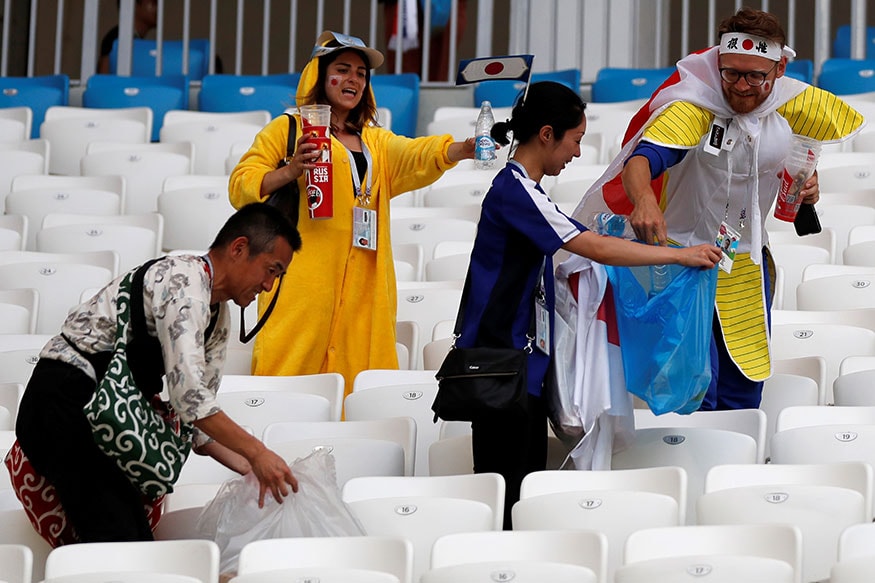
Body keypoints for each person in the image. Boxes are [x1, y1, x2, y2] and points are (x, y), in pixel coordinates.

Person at [455, 81, 722, 528]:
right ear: (546, 134)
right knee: (508, 498)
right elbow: (592, 246)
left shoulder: (529, 192)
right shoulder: (514, 191)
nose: (577, 153)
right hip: (499, 366)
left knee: (521, 489)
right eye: (574, 140)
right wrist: (678, 254)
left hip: (519, 367)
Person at [578, 7, 864, 411]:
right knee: (692, 395)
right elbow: (641, 162)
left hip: (747, 265)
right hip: (682, 266)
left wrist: (807, 189)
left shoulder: (789, 109)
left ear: (779, 68)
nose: (741, 87)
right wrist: (644, 200)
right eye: (731, 73)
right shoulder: (695, 106)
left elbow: (789, 165)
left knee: (744, 392)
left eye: (755, 76)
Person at [5, 203, 302, 546]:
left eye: (276, 277)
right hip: (63, 402)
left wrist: (254, 469)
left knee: (129, 540)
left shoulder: (218, 320)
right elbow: (190, 399)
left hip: (101, 423)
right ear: (238, 248)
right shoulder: (183, 282)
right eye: (270, 270)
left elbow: (196, 424)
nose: (268, 285)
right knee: (118, 540)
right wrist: (257, 452)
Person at [229, 31, 475, 394]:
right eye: (342, 70)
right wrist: (291, 169)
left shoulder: (375, 140)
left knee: (360, 385)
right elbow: (241, 185)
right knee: (292, 383)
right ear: (318, 76)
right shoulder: (289, 128)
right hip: (303, 283)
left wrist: (459, 149)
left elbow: (415, 155)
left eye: (361, 74)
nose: (353, 80)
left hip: (367, 287)